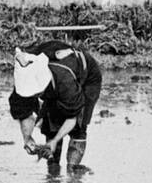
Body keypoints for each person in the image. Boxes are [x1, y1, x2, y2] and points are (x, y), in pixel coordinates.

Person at [8, 39, 103, 170]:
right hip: (55, 79)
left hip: (87, 78)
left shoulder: (65, 81)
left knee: (78, 127)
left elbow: (72, 118)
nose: (35, 97)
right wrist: (27, 138)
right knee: (50, 123)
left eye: (37, 94)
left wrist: (55, 140)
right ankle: (53, 169)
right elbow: (24, 112)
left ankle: (72, 169)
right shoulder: (24, 77)